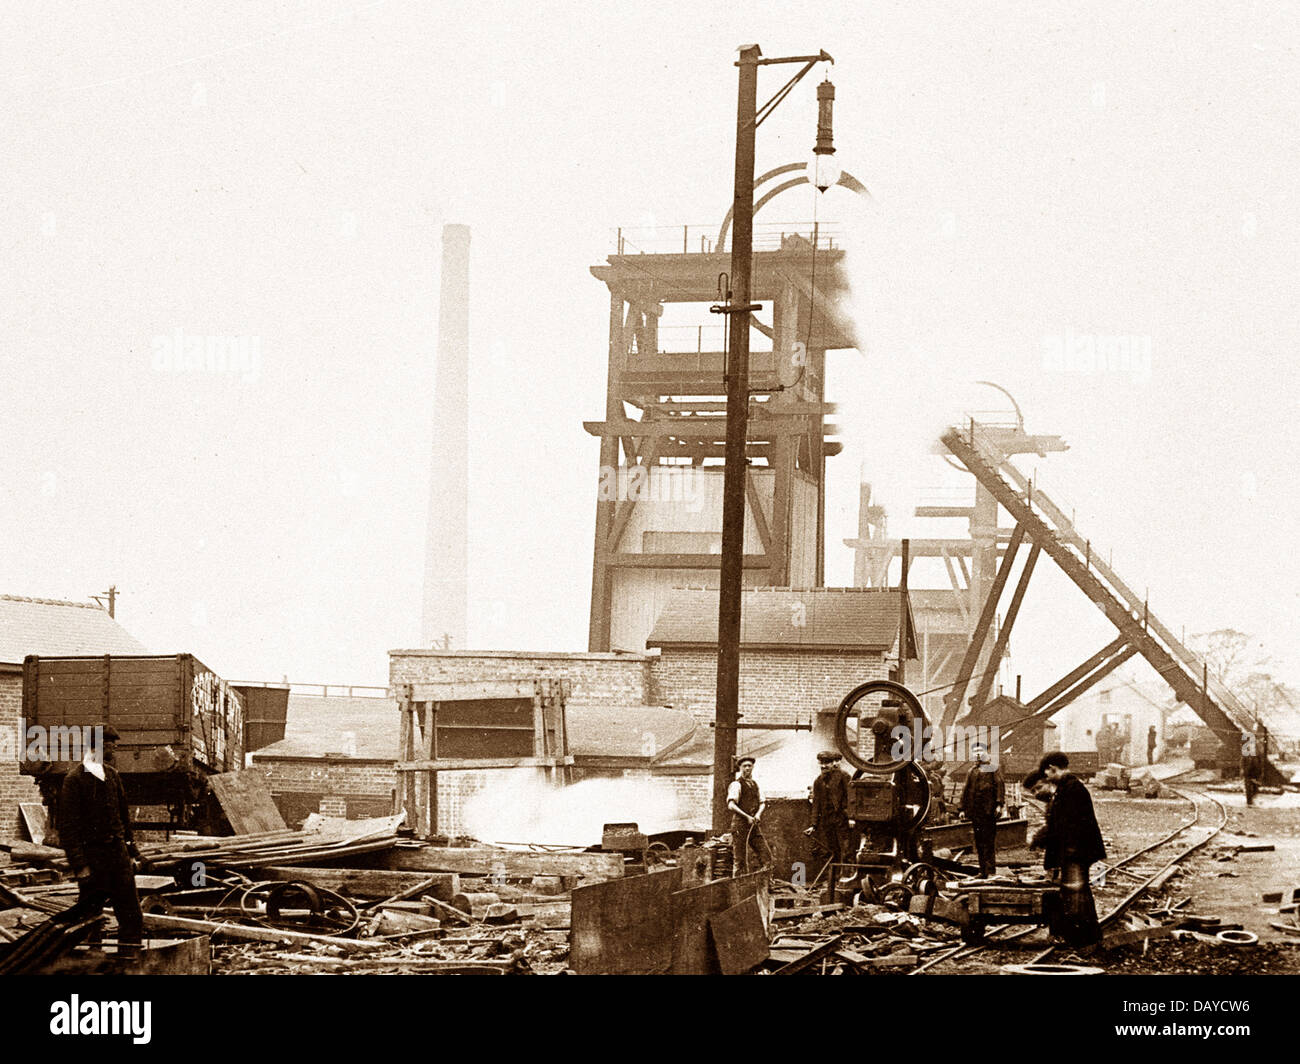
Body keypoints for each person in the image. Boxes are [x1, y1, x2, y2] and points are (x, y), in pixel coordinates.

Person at [51, 724, 143, 956]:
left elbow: (124, 819)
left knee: (131, 915)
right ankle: (92, 962)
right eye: (111, 745)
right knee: (91, 918)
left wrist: (133, 854)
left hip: (118, 858)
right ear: (97, 747)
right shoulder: (75, 780)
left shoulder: (112, 777)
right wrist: (80, 866)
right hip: (93, 861)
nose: (114, 749)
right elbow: (68, 829)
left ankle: (128, 962)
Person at [1038, 752, 1106, 948]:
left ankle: (1086, 940)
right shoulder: (1067, 788)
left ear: (1053, 768)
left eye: (1048, 774)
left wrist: (1066, 853)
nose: (1047, 778)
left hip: (1075, 851)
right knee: (1073, 893)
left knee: (1077, 894)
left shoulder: (1072, 789)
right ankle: (1079, 937)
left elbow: (1071, 826)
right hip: (1072, 851)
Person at [959, 741, 1005, 877]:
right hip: (976, 812)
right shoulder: (971, 771)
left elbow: (1000, 787)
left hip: (988, 812)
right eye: (975, 752)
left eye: (980, 751)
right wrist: (962, 809)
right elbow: (965, 791)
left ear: (986, 753)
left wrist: (999, 804)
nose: (978, 754)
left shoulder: (993, 768)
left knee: (989, 841)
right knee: (979, 842)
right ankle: (982, 871)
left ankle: (991, 870)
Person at [805, 751, 851, 878]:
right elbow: (816, 804)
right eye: (822, 763)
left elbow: (851, 797)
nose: (824, 766)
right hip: (827, 820)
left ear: (832, 764)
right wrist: (813, 825)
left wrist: (851, 817)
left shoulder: (843, 776)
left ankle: (846, 876)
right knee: (832, 850)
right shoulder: (818, 781)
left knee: (846, 848)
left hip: (842, 818)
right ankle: (834, 878)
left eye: (827, 763)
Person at [727, 756, 772, 875]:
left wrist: (758, 814)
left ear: (753, 767)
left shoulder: (756, 785)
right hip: (740, 825)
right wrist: (747, 816)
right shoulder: (736, 784)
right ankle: (739, 888)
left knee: (766, 855)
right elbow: (731, 805)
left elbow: (762, 803)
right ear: (740, 768)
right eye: (744, 766)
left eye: (749, 766)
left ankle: (765, 884)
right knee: (740, 860)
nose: (747, 768)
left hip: (753, 824)